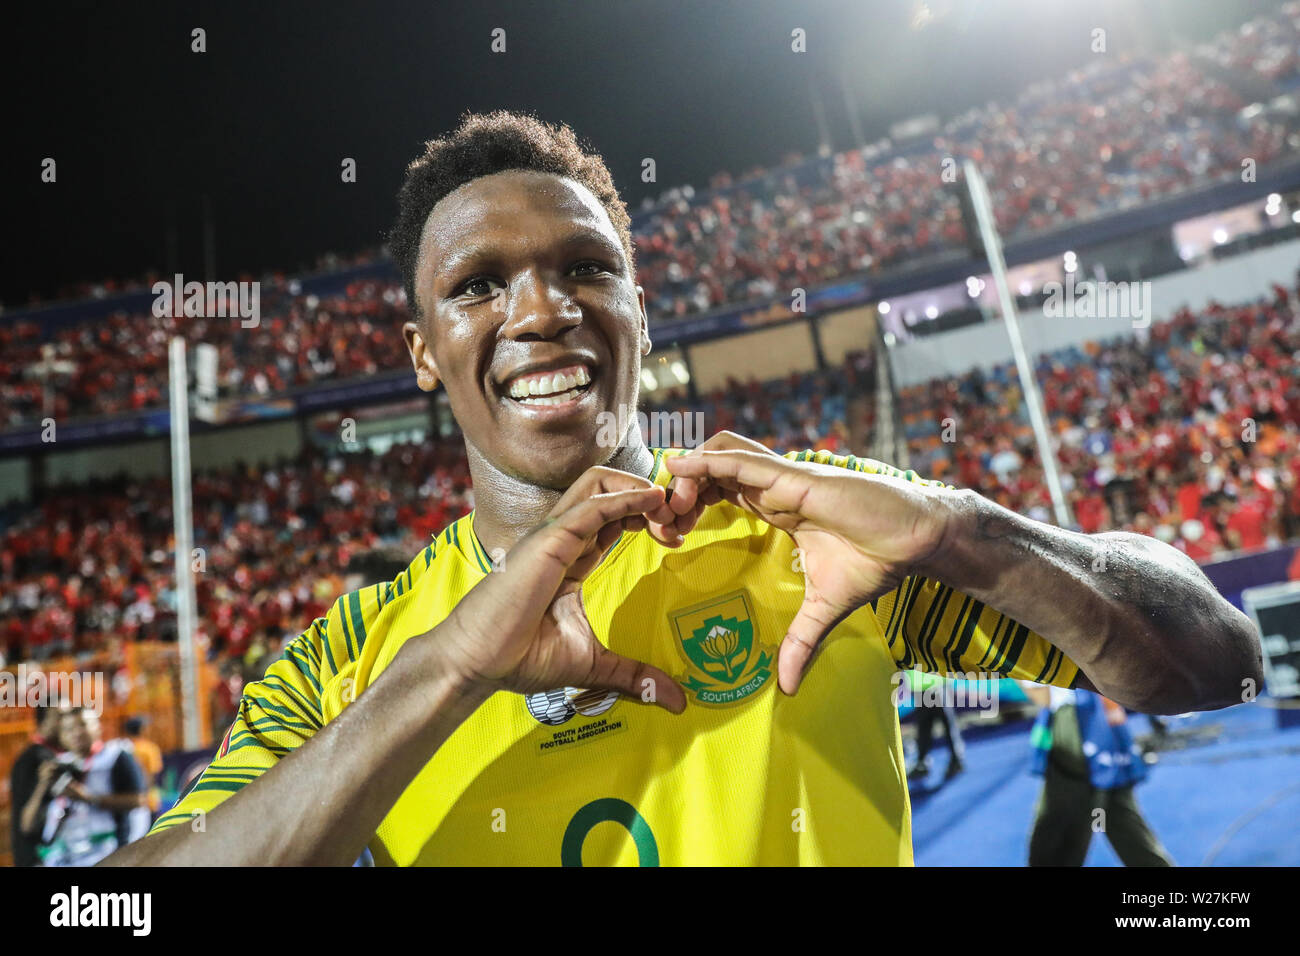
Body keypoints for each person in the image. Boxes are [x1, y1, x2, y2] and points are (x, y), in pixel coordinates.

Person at [104, 111, 1260, 866]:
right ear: (423, 355)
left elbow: (1217, 657)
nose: (541, 309)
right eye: (477, 285)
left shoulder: (824, 533)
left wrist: (967, 533)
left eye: (584, 267)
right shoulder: (360, 653)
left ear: (638, 311)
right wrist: (449, 669)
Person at [1025, 686, 1175, 866]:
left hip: (1082, 720)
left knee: (1061, 825)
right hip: (1102, 716)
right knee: (1117, 811)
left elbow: (1043, 696)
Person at [35, 709, 150, 866]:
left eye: (82, 725)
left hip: (113, 850)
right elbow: (31, 821)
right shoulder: (60, 765)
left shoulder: (116, 756)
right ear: (61, 736)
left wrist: (89, 798)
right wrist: (42, 784)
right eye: (68, 729)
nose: (76, 733)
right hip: (70, 855)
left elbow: (140, 800)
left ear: (97, 727)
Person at [8, 703, 61, 867]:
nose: (67, 722)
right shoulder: (39, 759)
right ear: (44, 722)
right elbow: (28, 823)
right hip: (38, 859)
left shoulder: (36, 755)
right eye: (59, 716)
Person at [122, 715, 163, 817]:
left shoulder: (122, 748)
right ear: (141, 729)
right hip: (148, 801)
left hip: (128, 801)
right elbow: (153, 776)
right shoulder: (149, 749)